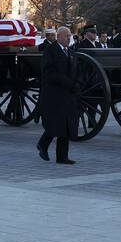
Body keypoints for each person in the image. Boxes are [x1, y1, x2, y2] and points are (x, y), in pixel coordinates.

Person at [37, 25, 79, 164]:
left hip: (68, 94)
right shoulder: (50, 51)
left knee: (66, 126)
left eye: (70, 36)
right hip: (54, 94)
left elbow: (76, 70)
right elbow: (49, 73)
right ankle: (43, 144)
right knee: (56, 124)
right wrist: (67, 82)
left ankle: (62, 157)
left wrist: (77, 83)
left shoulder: (70, 51)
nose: (69, 38)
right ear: (59, 36)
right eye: (66, 36)